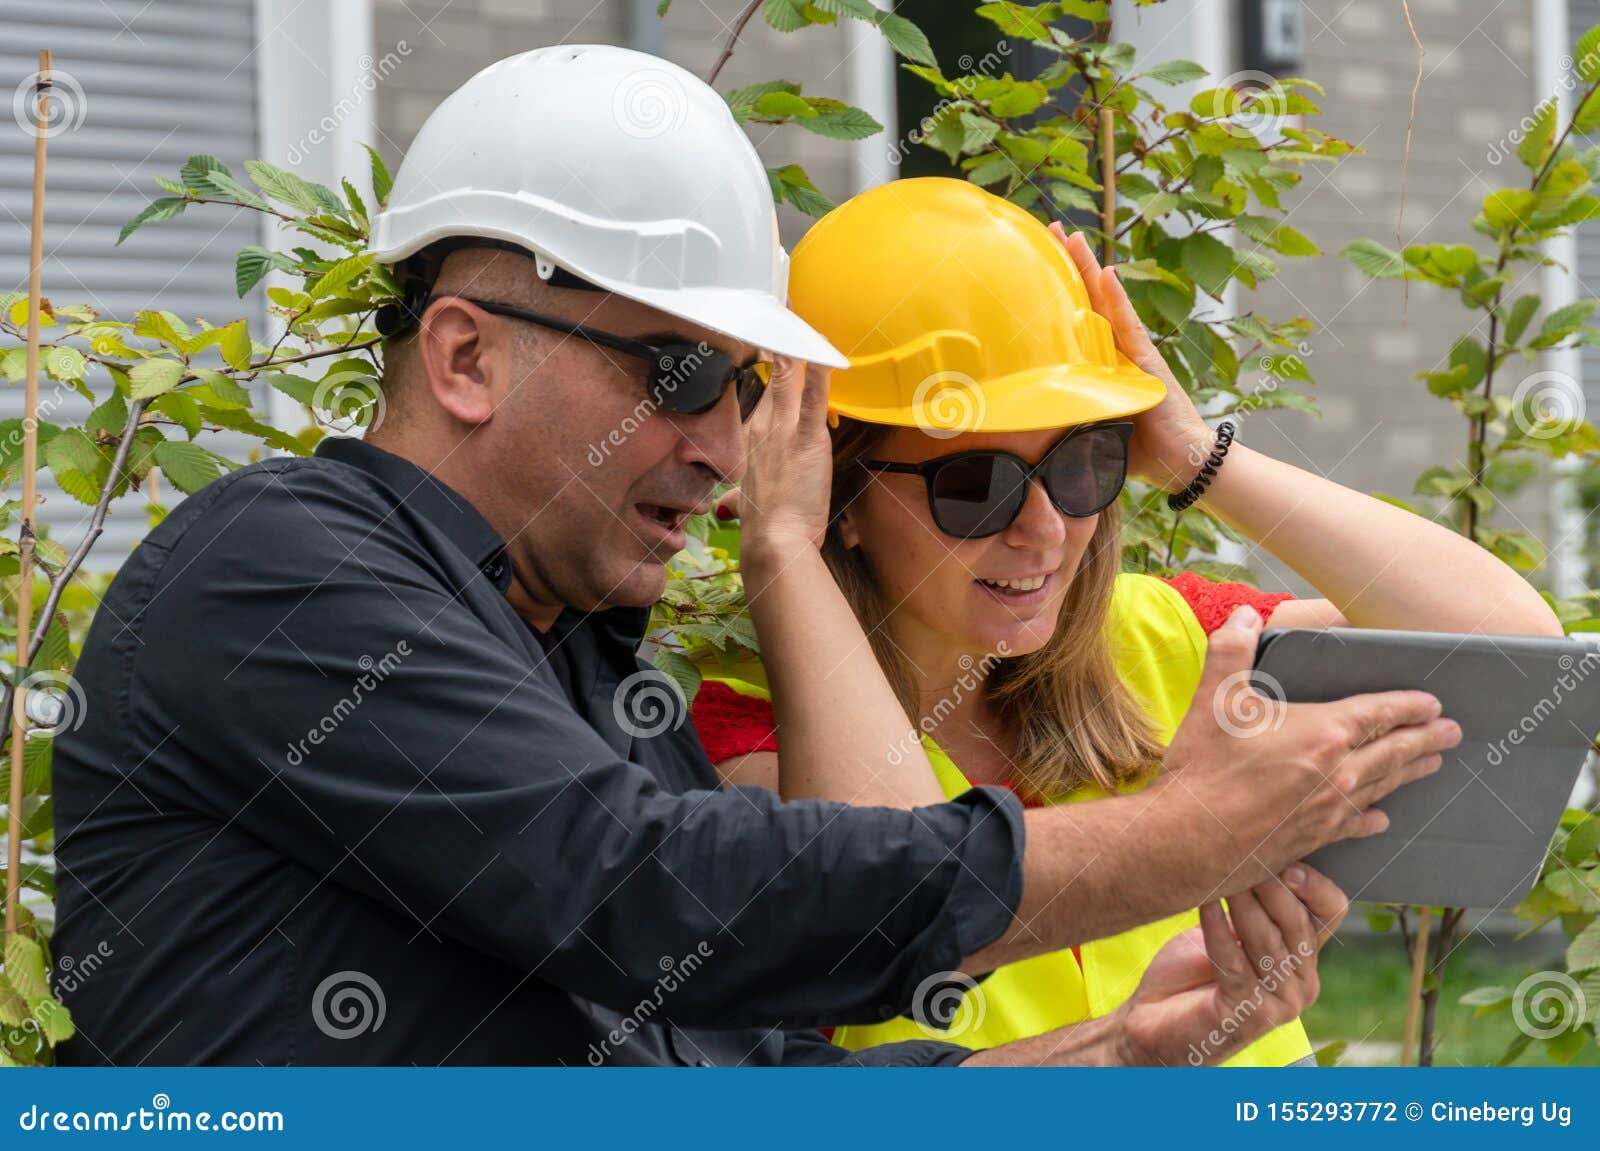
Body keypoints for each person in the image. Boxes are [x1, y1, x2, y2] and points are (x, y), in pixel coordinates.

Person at [51, 47, 1457, 1067]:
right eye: (675, 372)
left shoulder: (585, 676)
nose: (726, 448)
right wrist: (1190, 834)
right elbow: (657, 891)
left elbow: (778, 1079)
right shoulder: (280, 572)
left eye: (741, 386)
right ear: (465, 355)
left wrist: (1124, 1056)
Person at [690, 178, 1562, 1060]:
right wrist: (781, 544)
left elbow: (1513, 648)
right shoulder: (752, 730)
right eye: (976, 485)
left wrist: (1198, 458)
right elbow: (896, 894)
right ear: (836, 492)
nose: (1045, 529)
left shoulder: (1167, 633)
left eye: (1083, 463)